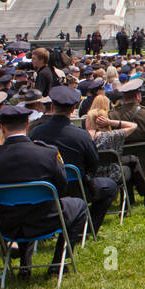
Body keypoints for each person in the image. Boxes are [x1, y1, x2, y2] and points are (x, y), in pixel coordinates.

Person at [0, 104, 90, 275]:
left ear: (2, 128)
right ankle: (58, 263)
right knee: (80, 205)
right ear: (27, 126)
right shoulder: (48, 153)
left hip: (7, 225)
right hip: (46, 220)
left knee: (20, 205)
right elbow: (61, 186)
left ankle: (25, 264)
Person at [32, 85, 119, 232]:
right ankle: (87, 228)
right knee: (110, 186)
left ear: (52, 107)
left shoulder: (36, 133)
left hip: (46, 188)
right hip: (77, 189)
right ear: (73, 110)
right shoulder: (82, 135)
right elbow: (93, 164)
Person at [84, 95, 145, 210]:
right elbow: (133, 126)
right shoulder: (111, 136)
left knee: (130, 160)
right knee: (130, 165)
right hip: (111, 174)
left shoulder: (82, 138)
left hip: (90, 176)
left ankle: (140, 199)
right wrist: (110, 122)